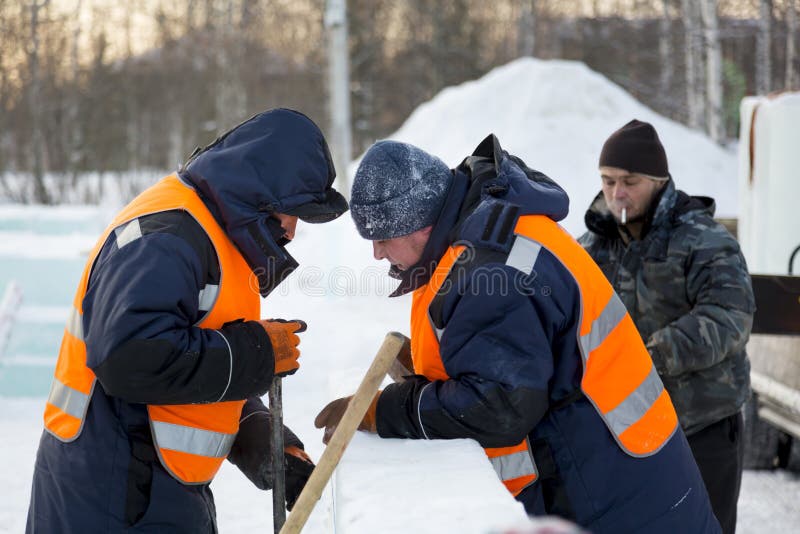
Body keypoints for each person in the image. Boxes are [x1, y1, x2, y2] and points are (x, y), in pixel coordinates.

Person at [314, 136, 720, 533]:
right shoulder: (487, 227)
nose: (377, 254)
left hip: (619, 493)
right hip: (626, 462)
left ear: (419, 224)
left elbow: (500, 405)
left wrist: (388, 410)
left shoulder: (492, 271)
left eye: (382, 239)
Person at [26, 109, 349, 533]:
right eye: (294, 213)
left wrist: (268, 445)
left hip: (154, 490)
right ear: (261, 196)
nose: (292, 230)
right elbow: (131, 359)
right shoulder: (167, 239)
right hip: (109, 499)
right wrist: (255, 353)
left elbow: (193, 365)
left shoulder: (213, 233)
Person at [577, 119, 755, 534]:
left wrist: (647, 356)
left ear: (657, 180)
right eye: (608, 181)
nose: (617, 193)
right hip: (626, 427)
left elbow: (730, 316)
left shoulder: (703, 239)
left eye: (630, 181)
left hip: (702, 424)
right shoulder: (590, 247)